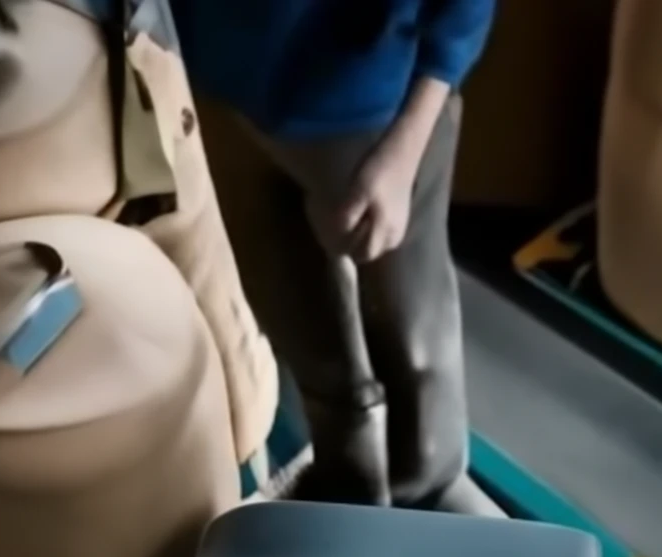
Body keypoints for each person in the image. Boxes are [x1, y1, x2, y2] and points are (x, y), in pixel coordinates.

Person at [170, 0, 505, 515]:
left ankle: (429, 491)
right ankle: (348, 480)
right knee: (293, 313)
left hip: (373, 112)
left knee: (411, 330)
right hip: (221, 84)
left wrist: (404, 154)